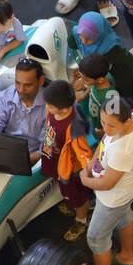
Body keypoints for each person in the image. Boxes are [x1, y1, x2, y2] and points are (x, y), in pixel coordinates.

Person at [80, 97, 133, 265]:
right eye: (103, 121)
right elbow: (105, 141)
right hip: (127, 191)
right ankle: (127, 255)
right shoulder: (132, 117)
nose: (104, 128)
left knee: (96, 238)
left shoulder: (123, 151)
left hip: (111, 200)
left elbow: (107, 184)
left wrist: (85, 179)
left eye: (111, 125)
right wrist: (92, 164)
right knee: (126, 217)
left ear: (125, 123)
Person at [39, 79, 90, 240]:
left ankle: (81, 219)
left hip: (71, 169)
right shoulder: (54, 112)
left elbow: (83, 153)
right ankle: (70, 203)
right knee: (66, 190)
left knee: (78, 196)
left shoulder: (73, 126)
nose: (47, 107)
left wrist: (88, 172)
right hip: (56, 161)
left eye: (50, 105)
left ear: (65, 108)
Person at [0, 57, 47, 163]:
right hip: (3, 154)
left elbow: (46, 148)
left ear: (40, 81)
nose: (21, 90)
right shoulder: (2, 98)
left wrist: (21, 162)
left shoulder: (51, 105)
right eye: (18, 83)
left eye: (27, 85)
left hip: (34, 161)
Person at [73, 12, 133, 107]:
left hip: (124, 78)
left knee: (132, 100)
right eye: (81, 35)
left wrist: (85, 84)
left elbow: (99, 74)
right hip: (109, 75)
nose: (84, 42)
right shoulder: (79, 32)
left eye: (89, 38)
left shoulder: (110, 50)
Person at [73, 52, 116, 149]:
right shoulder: (102, 76)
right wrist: (84, 94)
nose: (82, 82)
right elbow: (91, 84)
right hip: (93, 117)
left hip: (101, 128)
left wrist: (104, 130)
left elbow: (114, 118)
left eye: (86, 80)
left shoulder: (110, 97)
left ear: (100, 80)